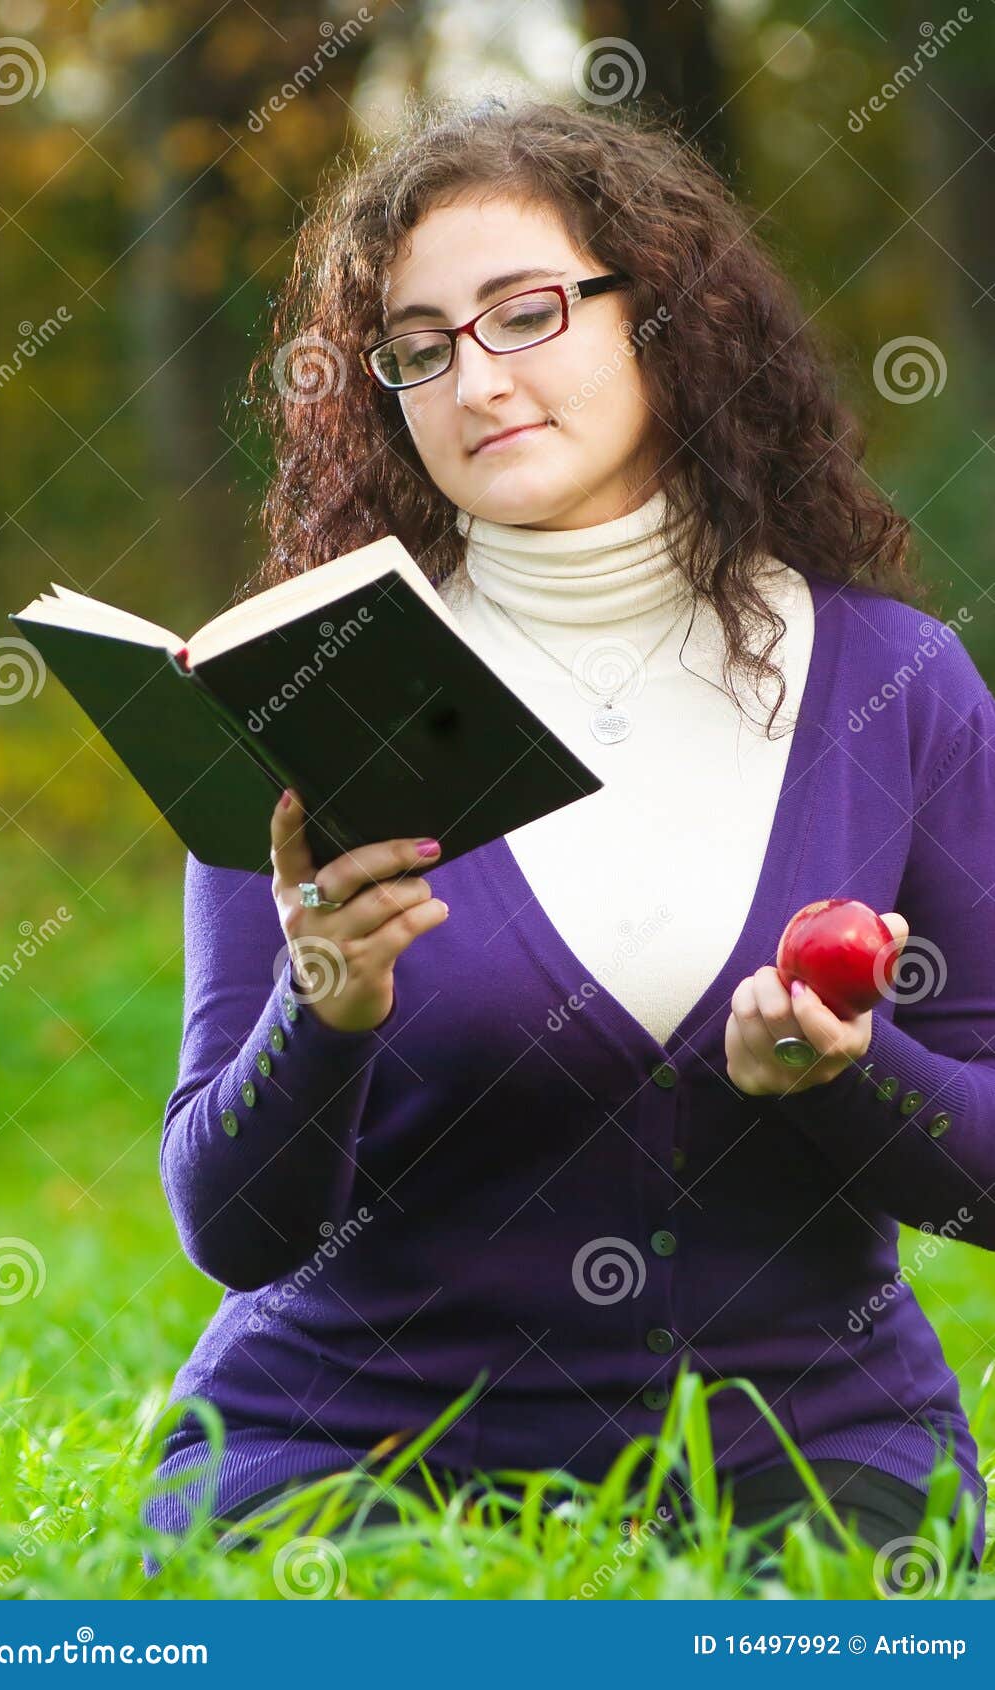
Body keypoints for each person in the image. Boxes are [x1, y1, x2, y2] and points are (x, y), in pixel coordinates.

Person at [140, 95, 993, 1586]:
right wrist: (321, 1009)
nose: (475, 378)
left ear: (662, 317)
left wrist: (859, 1085)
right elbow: (234, 1223)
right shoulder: (314, 690)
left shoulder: (897, 687)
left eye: (525, 313)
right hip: (350, 1454)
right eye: (419, 345)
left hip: (802, 1447)